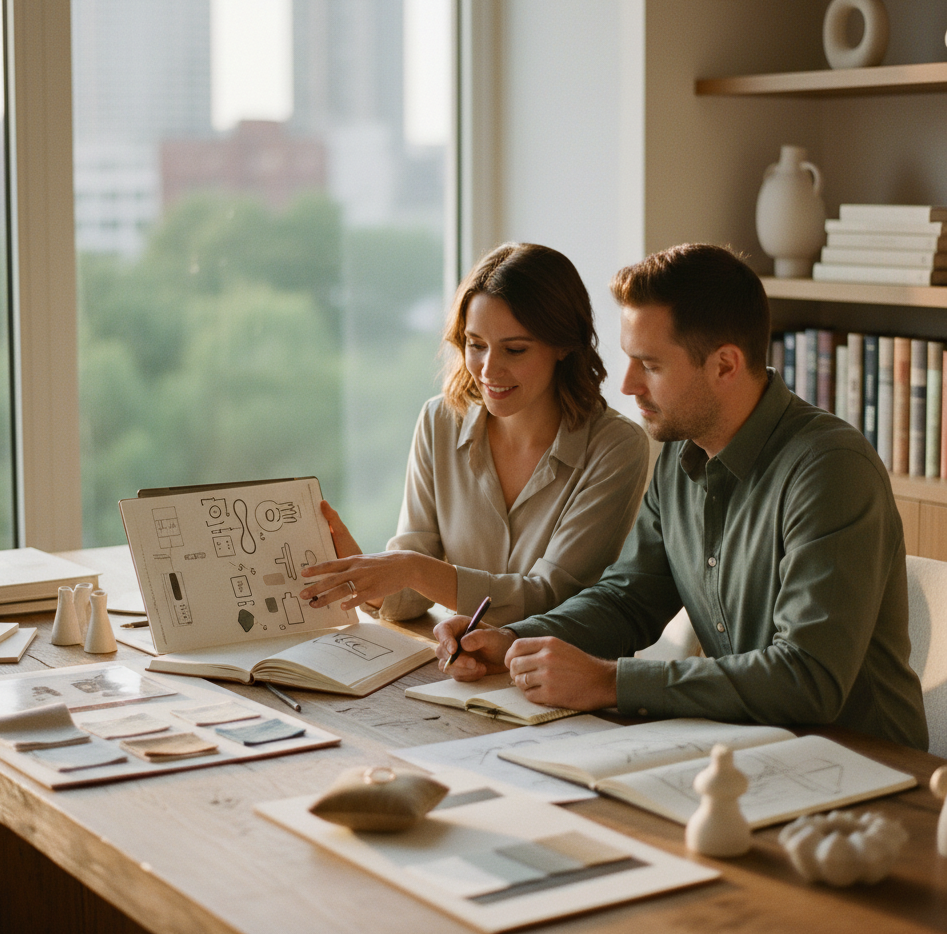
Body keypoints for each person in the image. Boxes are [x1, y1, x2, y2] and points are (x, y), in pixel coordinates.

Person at [435, 243, 928, 750]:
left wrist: (611, 682)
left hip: (869, 773)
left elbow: (808, 678)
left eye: (649, 365)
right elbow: (629, 599)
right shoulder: (680, 454)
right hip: (748, 751)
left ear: (725, 365)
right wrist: (514, 638)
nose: (626, 385)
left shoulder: (830, 469)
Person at [299, 242, 649, 626]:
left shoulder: (617, 447)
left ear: (564, 345)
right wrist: (366, 576)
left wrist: (412, 569)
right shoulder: (439, 421)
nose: (488, 370)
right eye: (475, 344)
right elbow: (411, 591)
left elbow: (551, 596)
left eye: (514, 350)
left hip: (556, 674)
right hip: (457, 663)